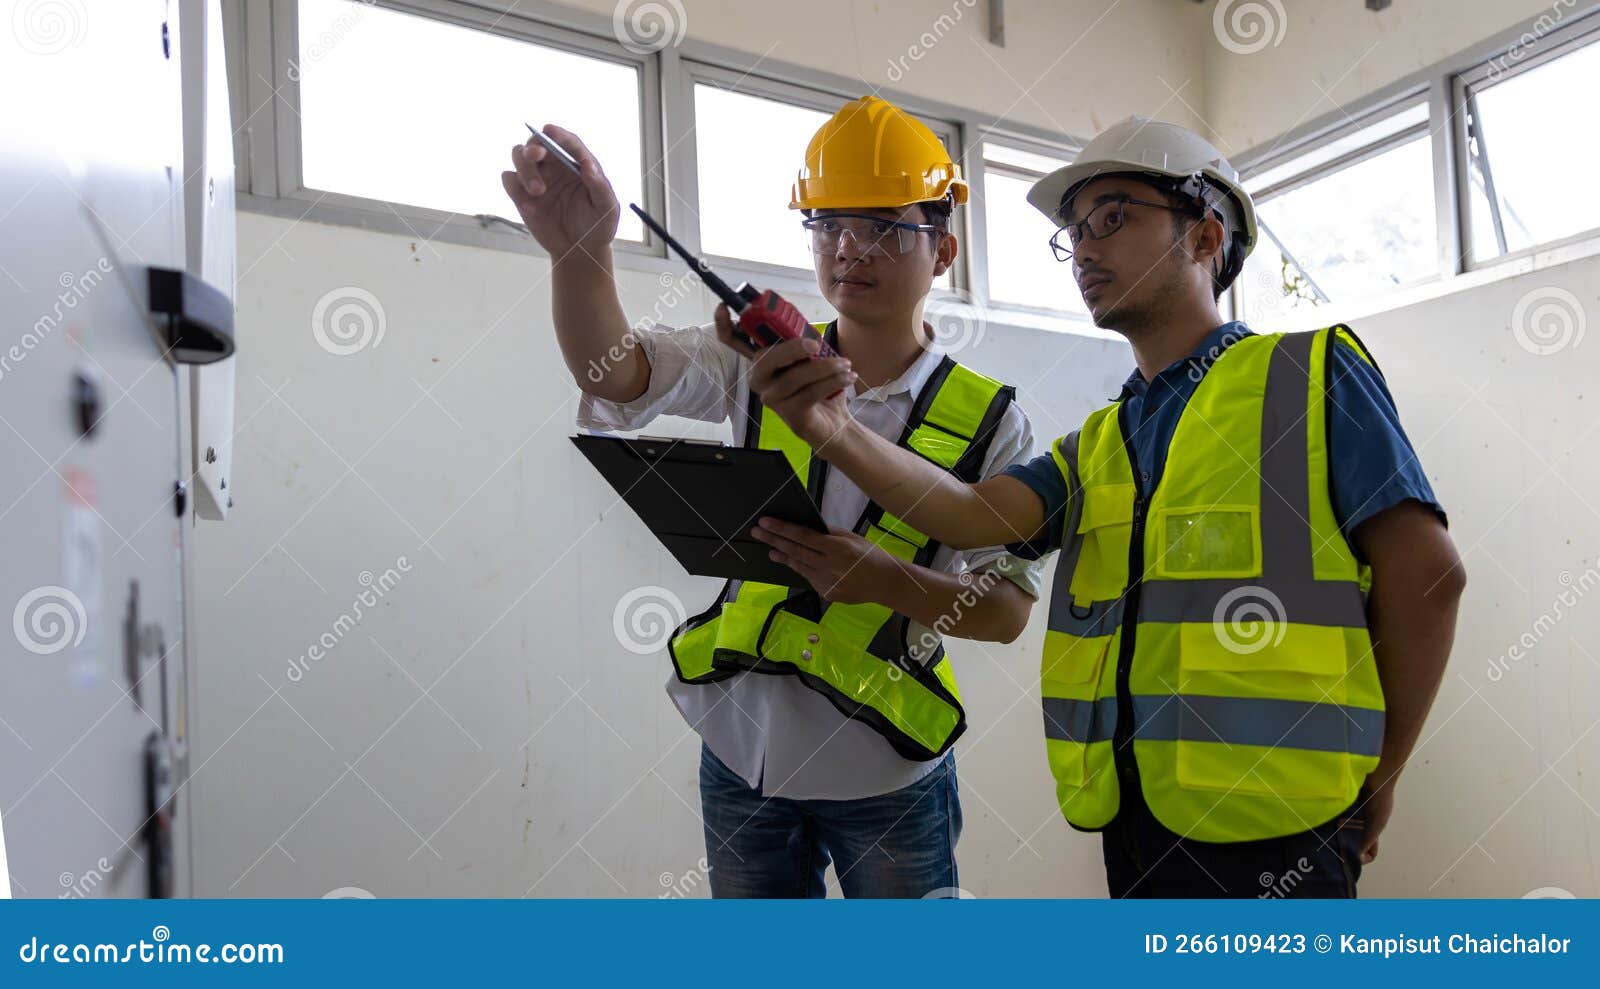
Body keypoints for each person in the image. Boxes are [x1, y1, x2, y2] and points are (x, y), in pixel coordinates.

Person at [727, 116, 1466, 898]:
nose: (1083, 249)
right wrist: (829, 425)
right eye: (1073, 233)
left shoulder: (1310, 374)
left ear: (1207, 236)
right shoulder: (1103, 440)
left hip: (1285, 829)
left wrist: (1384, 770)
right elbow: (973, 516)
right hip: (1136, 813)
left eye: (1113, 218)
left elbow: (1429, 577)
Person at [501, 95, 1043, 898]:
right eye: (826, 224)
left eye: (885, 227)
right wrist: (580, 254)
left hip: (887, 770)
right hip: (742, 750)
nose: (849, 249)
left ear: (945, 248)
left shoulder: (997, 423)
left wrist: (881, 579)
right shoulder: (756, 360)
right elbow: (614, 375)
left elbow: (1005, 612)